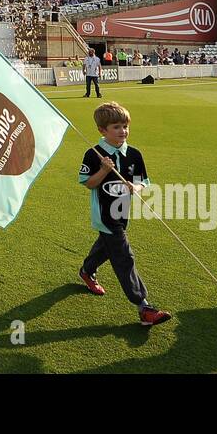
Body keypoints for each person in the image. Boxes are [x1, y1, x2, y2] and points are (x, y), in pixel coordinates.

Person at [77, 101, 172, 327]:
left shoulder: (135, 154)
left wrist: (135, 187)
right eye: (116, 127)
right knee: (124, 256)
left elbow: (143, 182)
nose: (123, 131)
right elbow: (89, 184)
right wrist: (104, 171)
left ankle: (86, 271)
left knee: (106, 247)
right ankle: (144, 307)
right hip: (105, 215)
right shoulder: (94, 154)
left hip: (123, 213)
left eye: (125, 126)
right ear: (102, 130)